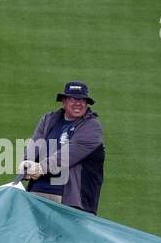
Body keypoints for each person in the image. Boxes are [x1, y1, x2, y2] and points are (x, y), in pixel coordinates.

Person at [19, 81, 106, 214]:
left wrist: (41, 167)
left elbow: (67, 155)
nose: (78, 103)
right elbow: (35, 145)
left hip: (71, 201)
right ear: (63, 101)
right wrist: (26, 164)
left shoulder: (92, 127)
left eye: (83, 100)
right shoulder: (49, 120)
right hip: (38, 192)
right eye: (73, 99)